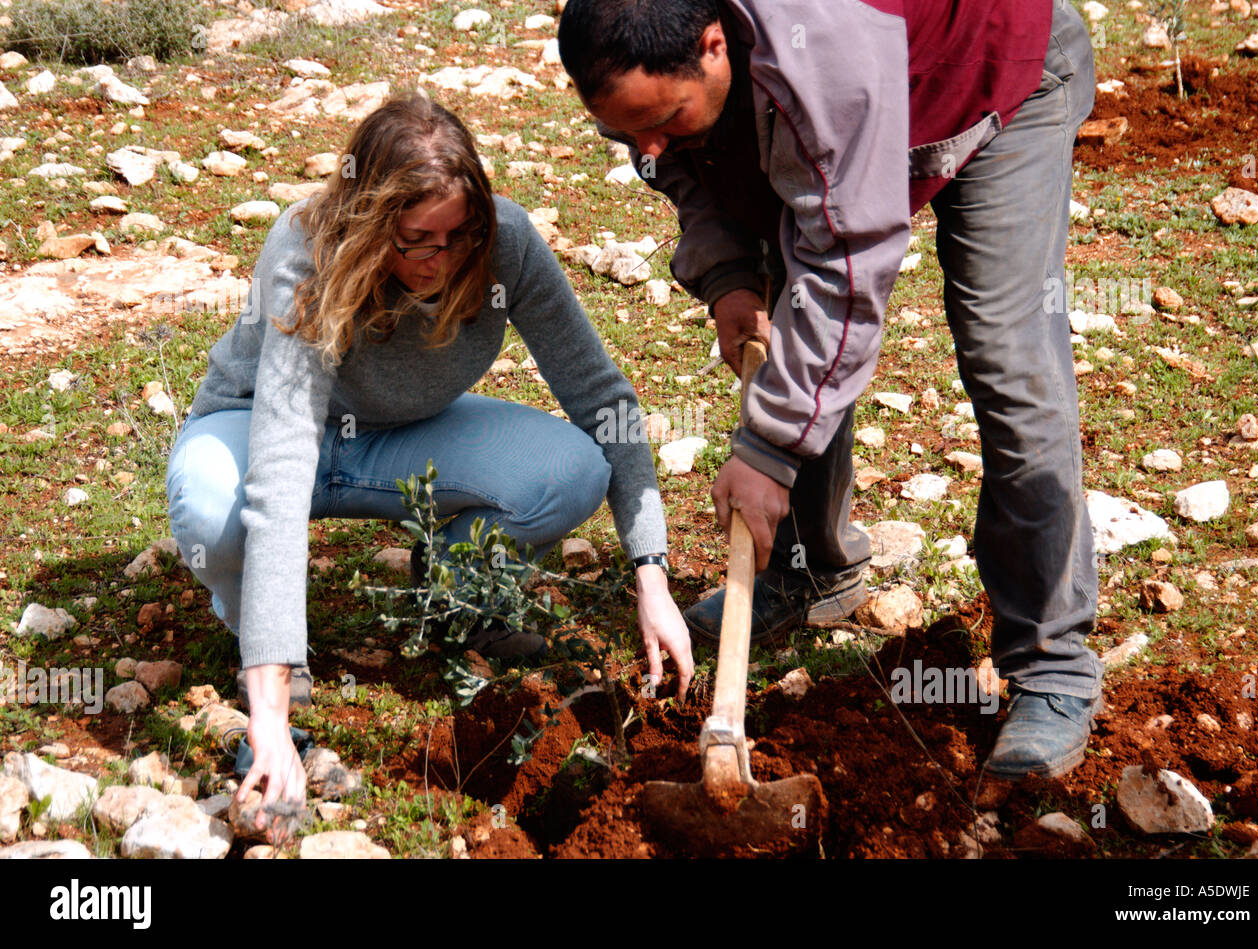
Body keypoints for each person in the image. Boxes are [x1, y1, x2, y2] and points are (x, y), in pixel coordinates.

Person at [558, 0, 1105, 779]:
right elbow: (682, 166)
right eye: (626, 128)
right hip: (826, 113)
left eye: (665, 117)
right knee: (787, 316)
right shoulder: (647, 57)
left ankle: (1053, 663)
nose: (646, 145)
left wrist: (769, 448)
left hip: (987, 81)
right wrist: (729, 278)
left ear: (716, 46)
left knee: (1006, 359)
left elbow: (848, 264)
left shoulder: (822, 51)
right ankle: (812, 563)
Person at [166, 94, 695, 827]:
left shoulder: (503, 243)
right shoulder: (305, 250)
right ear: (370, 224)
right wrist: (274, 710)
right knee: (212, 509)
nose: (439, 260)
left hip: (403, 435)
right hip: (260, 428)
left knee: (573, 468)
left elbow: (602, 395)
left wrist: (651, 570)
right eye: (416, 239)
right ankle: (255, 637)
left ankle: (456, 594)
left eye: (457, 236)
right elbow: (282, 462)